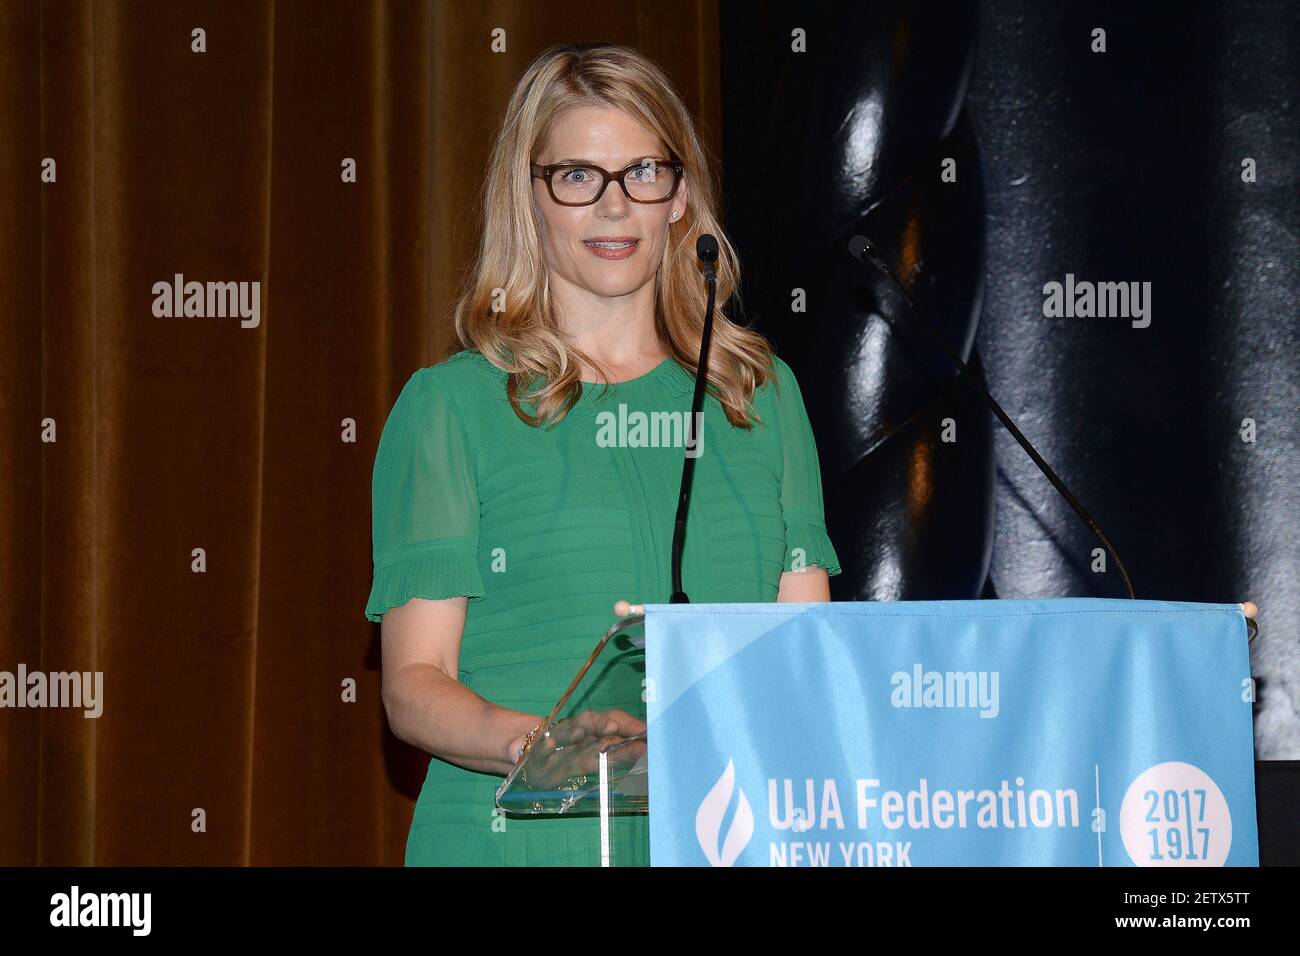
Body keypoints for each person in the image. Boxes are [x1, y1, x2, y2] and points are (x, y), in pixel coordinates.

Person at [365, 42, 841, 866]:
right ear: (530, 196)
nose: (614, 206)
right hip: (515, 840)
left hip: (722, 836)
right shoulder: (452, 409)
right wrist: (539, 745)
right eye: (579, 177)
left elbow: (806, 652)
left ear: (680, 197)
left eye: (643, 173)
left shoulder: (759, 396)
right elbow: (414, 685)